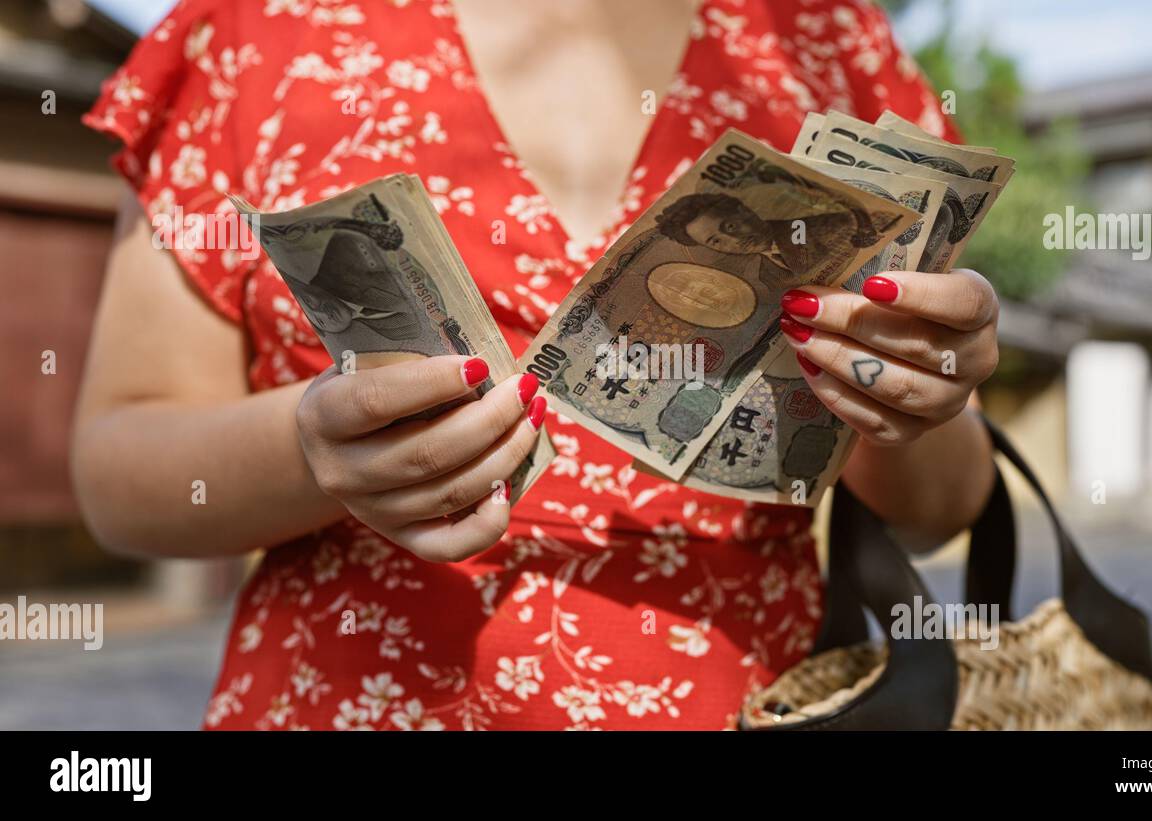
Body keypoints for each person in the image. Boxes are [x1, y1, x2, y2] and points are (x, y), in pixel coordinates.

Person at [73, 0, 1000, 730]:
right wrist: (312, 452)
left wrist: (916, 391)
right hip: (348, 699)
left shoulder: (823, 38)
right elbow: (121, 476)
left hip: (754, 701)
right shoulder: (254, 30)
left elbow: (937, 508)